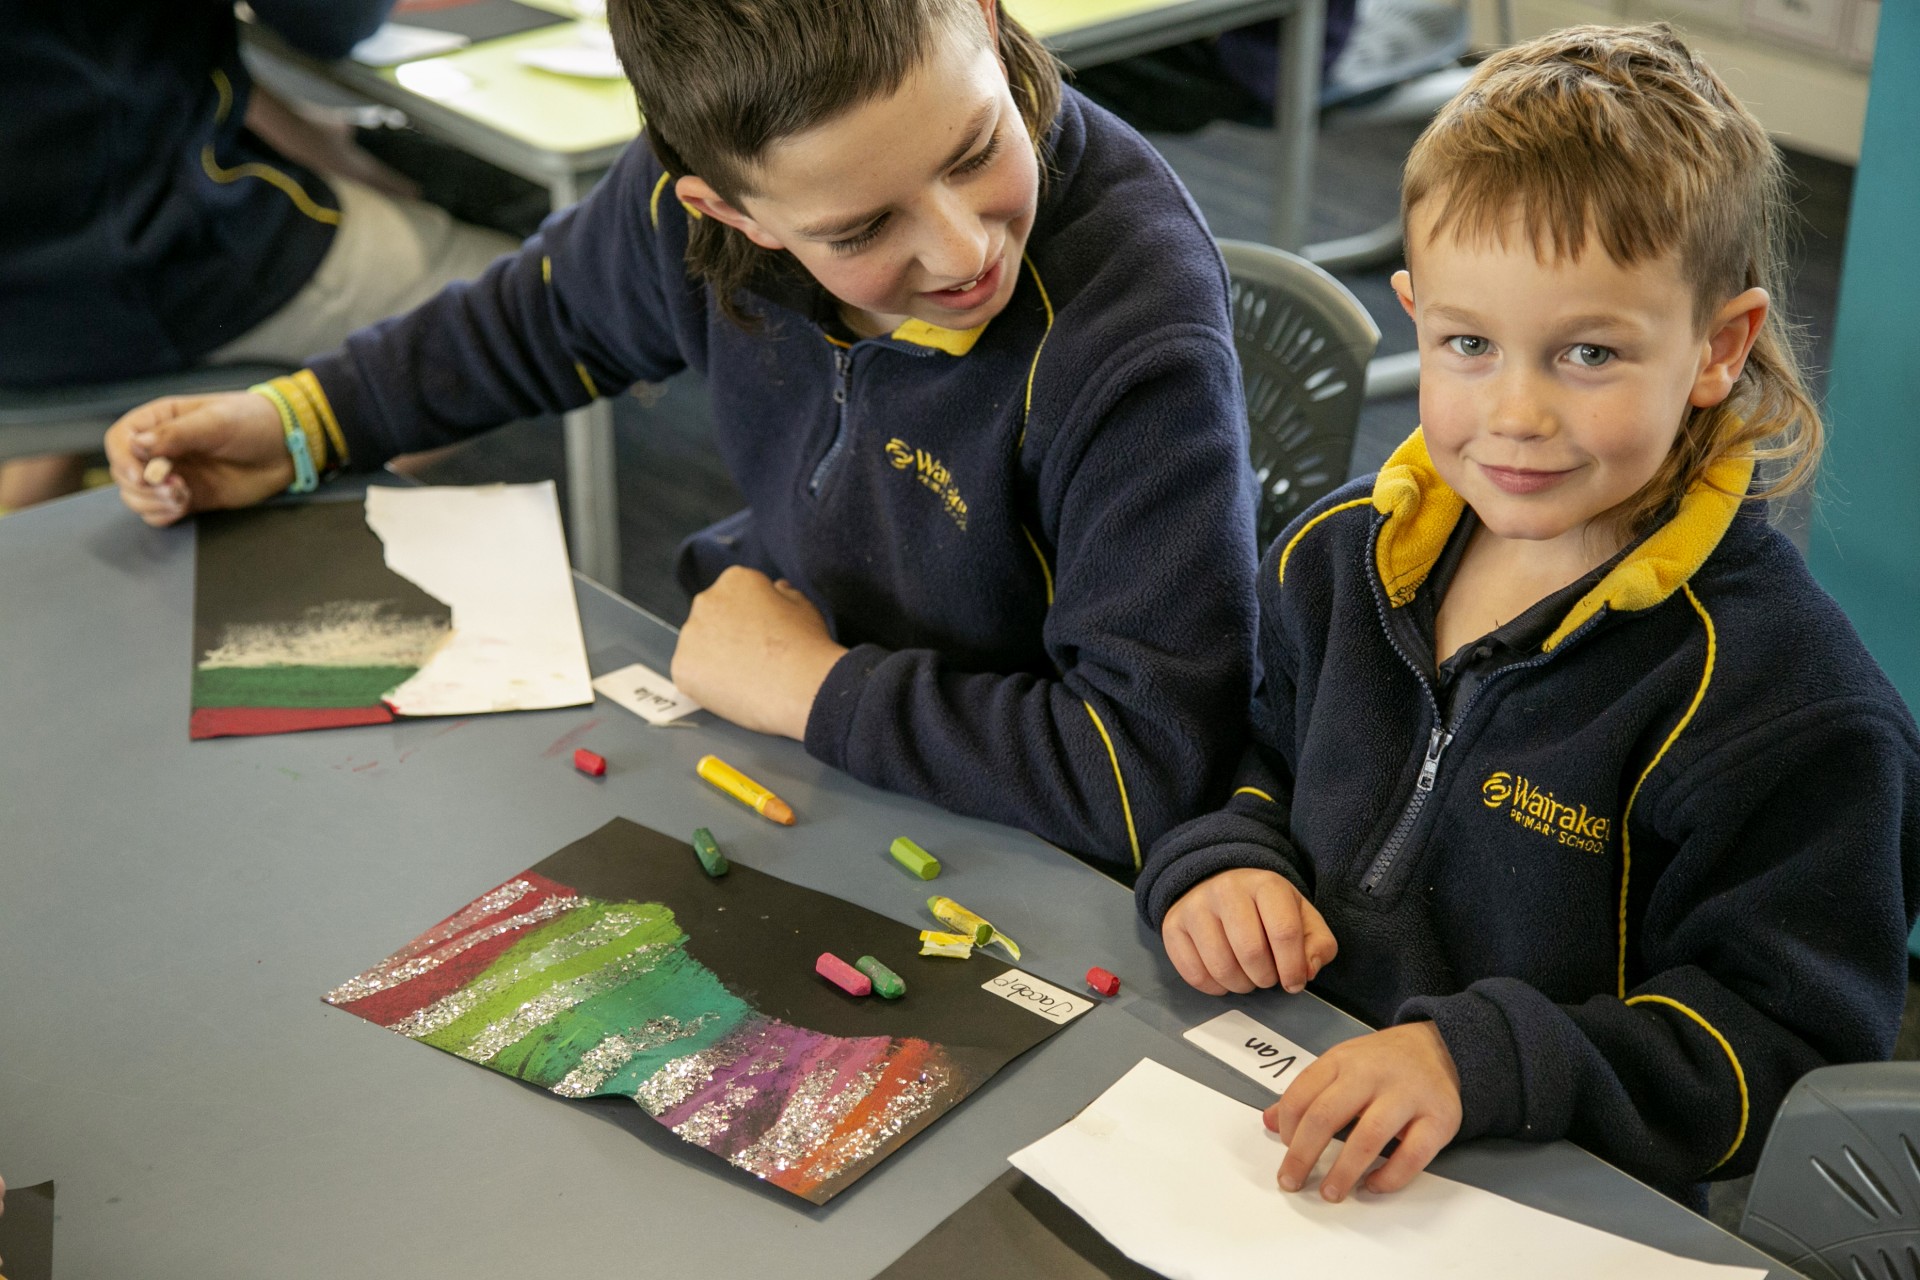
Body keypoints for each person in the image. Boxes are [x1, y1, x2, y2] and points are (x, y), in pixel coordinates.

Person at [102, 0, 1260, 872]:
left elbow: (1143, 766)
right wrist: (300, 422)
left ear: (994, 25)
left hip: (1010, 822)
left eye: (972, 151)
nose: (962, 250)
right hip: (789, 721)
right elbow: (547, 311)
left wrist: (818, 688)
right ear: (723, 210)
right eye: (860, 226)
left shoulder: (1130, 334)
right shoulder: (685, 200)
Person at [1137, 24, 1920, 1207]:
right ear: (1413, 311)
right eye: (1469, 343)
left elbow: (1782, 1051)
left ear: (1719, 347)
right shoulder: (1339, 554)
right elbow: (1250, 749)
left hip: (1547, 1201)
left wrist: (1481, 1059)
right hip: (1277, 1130)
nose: (1516, 414)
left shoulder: (1790, 705)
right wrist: (1224, 858)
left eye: (1589, 353)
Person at [0, 0, 516, 510]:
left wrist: (331, 152)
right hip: (138, 271)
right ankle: (291, 532)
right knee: (519, 307)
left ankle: (50, 514)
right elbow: (333, 22)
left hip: (32, 270)